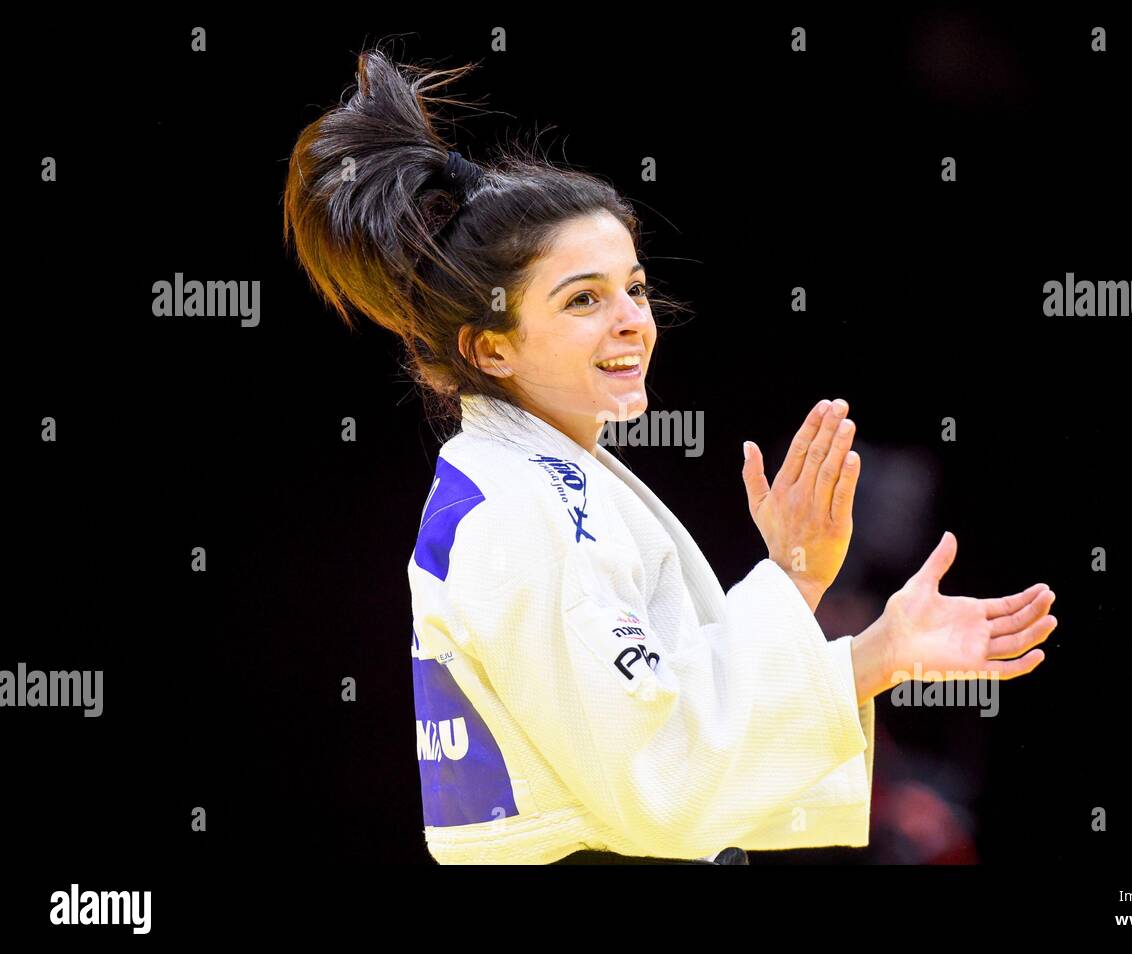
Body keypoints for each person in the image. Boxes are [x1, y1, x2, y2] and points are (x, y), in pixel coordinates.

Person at [282, 48, 1059, 865]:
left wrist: (874, 652)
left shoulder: (545, 485)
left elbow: (675, 746)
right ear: (490, 348)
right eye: (583, 298)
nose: (631, 320)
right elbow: (663, 787)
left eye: (636, 288)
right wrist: (793, 584)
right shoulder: (522, 511)